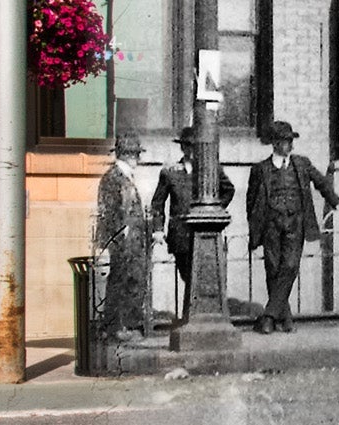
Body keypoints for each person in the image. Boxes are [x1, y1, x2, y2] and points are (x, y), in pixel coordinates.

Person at [245, 121, 339, 334]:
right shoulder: (260, 169)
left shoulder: (302, 164)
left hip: (295, 224)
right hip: (271, 225)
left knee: (289, 266)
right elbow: (251, 201)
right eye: (286, 141)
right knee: (273, 268)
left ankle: (269, 316)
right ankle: (285, 318)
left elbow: (322, 182)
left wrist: (337, 202)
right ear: (275, 143)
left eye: (291, 140)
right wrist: (254, 228)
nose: (291, 145)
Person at [151, 124, 236, 317]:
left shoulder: (211, 170)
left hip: (206, 234)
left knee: (206, 277)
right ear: (182, 147)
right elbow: (157, 203)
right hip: (181, 236)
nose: (191, 150)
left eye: (194, 146)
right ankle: (192, 316)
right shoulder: (170, 172)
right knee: (189, 278)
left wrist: (215, 210)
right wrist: (158, 229)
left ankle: (200, 317)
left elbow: (229, 190)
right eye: (187, 146)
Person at [93, 134, 152, 340]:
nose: (138, 159)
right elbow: (109, 213)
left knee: (132, 280)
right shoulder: (113, 178)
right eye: (135, 154)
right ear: (127, 155)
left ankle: (124, 325)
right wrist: (119, 236)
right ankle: (118, 327)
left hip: (131, 241)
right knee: (122, 281)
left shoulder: (124, 177)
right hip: (123, 241)